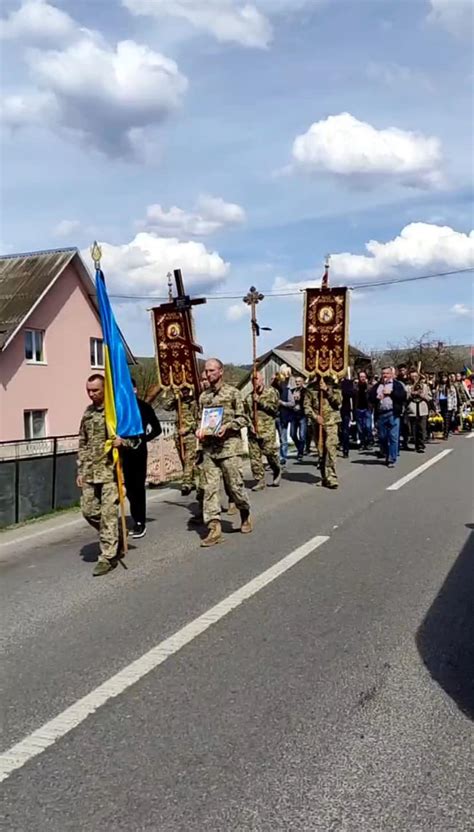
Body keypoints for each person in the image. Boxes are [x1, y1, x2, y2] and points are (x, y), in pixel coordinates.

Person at [77, 374, 137, 577]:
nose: (91, 394)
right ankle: (116, 534)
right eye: (88, 390)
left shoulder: (116, 412)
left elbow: (136, 440)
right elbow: (83, 442)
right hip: (91, 472)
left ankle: (108, 556)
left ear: (105, 390)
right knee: (88, 511)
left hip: (111, 472)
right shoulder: (88, 412)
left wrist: (123, 442)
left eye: (95, 390)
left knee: (109, 514)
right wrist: (81, 470)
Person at [196, 358, 252, 546]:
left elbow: (244, 418)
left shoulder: (233, 393)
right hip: (209, 449)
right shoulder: (203, 397)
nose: (208, 374)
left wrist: (228, 426)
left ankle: (245, 513)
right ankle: (214, 528)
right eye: (206, 370)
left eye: (212, 370)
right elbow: (199, 420)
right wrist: (199, 430)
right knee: (209, 489)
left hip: (229, 448)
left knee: (235, 487)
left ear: (221, 372)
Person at [122, 378, 162, 538]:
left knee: (138, 488)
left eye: (129, 388)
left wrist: (144, 439)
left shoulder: (144, 407)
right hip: (124, 453)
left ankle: (140, 522)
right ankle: (135, 517)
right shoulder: (121, 409)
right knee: (129, 488)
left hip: (139, 453)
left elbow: (157, 429)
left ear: (135, 389)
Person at [304, 375, 342, 488]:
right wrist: (315, 417)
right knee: (321, 452)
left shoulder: (335, 387)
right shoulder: (310, 389)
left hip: (331, 422)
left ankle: (332, 477)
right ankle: (324, 477)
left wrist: (327, 390)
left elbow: (338, 402)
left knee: (330, 448)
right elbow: (306, 407)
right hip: (317, 424)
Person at [245, 372, 281, 490]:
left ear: (262, 379)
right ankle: (260, 480)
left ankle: (276, 469)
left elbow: (275, 410)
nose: (255, 382)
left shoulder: (271, 392)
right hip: (253, 431)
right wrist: (250, 425)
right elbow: (246, 415)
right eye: (253, 380)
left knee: (270, 453)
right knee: (254, 457)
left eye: (257, 379)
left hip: (267, 430)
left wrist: (260, 401)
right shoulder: (248, 398)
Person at [163, 384, 199, 496]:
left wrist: (187, 429)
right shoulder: (178, 402)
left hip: (190, 435)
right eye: (182, 390)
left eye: (186, 390)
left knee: (189, 458)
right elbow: (166, 406)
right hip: (179, 435)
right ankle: (191, 480)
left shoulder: (194, 403)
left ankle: (186, 483)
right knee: (183, 459)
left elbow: (198, 421)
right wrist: (174, 395)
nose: (185, 392)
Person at [370, 367, 407, 467]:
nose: (385, 375)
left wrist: (391, 393)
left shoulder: (397, 384)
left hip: (393, 413)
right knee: (382, 437)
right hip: (381, 414)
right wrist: (376, 397)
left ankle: (391, 458)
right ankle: (386, 453)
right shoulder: (378, 386)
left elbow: (403, 396)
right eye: (383, 373)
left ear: (391, 374)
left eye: (387, 373)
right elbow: (370, 397)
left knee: (393, 437)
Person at [406, 369, 431, 453]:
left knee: (422, 428)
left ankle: (421, 445)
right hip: (412, 409)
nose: (414, 378)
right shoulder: (408, 386)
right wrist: (411, 394)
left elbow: (429, 397)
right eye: (412, 376)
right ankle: (416, 444)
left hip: (422, 409)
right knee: (414, 429)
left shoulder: (424, 386)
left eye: (415, 376)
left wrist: (421, 394)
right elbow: (405, 397)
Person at [275, 365, 295, 465]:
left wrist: (282, 403)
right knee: (277, 438)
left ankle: (283, 457)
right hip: (275, 416)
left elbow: (292, 403)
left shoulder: (288, 391)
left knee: (283, 438)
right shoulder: (274, 391)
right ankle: (277, 457)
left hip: (283, 417)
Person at [353, 370, 374, 450]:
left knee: (368, 426)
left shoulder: (369, 387)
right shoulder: (355, 387)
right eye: (361, 377)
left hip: (367, 409)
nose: (362, 378)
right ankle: (362, 443)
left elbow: (372, 395)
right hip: (358, 409)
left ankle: (369, 441)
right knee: (360, 428)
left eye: (364, 377)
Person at [290, 376, 307, 461]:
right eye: (296, 381)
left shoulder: (305, 391)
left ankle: (300, 453)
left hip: (302, 415)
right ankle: (300, 447)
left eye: (299, 381)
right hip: (293, 415)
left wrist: (300, 398)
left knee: (302, 435)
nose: (297, 383)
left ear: (302, 382)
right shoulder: (292, 391)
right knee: (292, 434)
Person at [436, 372, 457, 439]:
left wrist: (455, 406)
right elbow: (435, 397)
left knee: (447, 419)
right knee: (442, 419)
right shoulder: (438, 386)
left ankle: (446, 433)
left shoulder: (451, 386)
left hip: (448, 404)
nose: (444, 379)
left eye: (445, 378)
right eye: (442, 378)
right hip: (441, 403)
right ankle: (444, 431)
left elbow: (454, 396)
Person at [340, 375, 355, 458]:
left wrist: (341, 389)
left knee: (345, 431)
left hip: (345, 410)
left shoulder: (347, 383)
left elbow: (351, 393)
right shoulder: (330, 383)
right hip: (332, 411)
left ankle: (345, 449)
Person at [396, 364, 410, 450]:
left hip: (409, 404)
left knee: (406, 424)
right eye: (400, 370)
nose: (402, 372)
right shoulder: (397, 380)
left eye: (403, 370)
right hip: (401, 404)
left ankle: (406, 441)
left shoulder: (409, 380)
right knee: (401, 424)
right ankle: (399, 442)